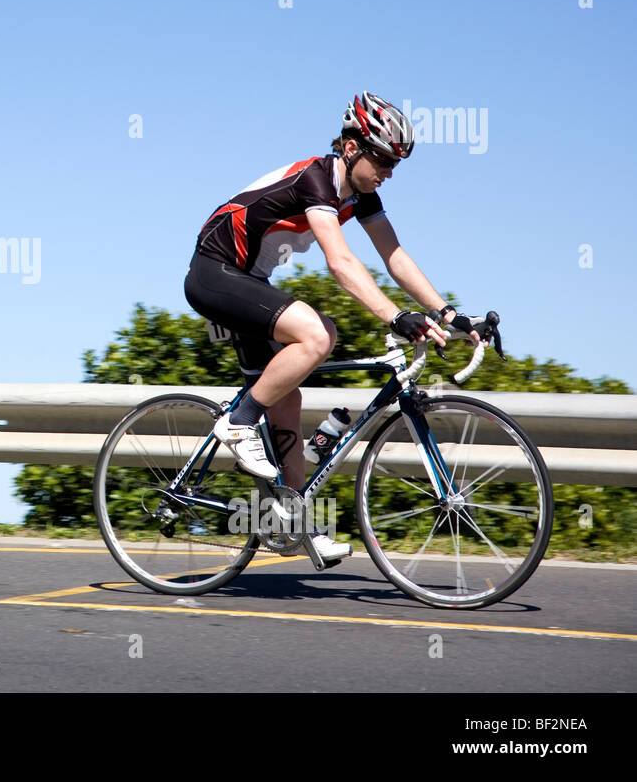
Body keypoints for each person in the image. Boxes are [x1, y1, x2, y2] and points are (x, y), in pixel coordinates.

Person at [184, 93, 478, 566]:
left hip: (248, 280)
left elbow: (394, 257)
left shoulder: (360, 196)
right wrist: (394, 316)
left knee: (289, 397)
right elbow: (340, 263)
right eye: (381, 158)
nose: (387, 171)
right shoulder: (316, 180)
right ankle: (236, 425)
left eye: (395, 164)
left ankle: (293, 518)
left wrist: (448, 314)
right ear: (349, 146)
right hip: (214, 272)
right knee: (319, 335)